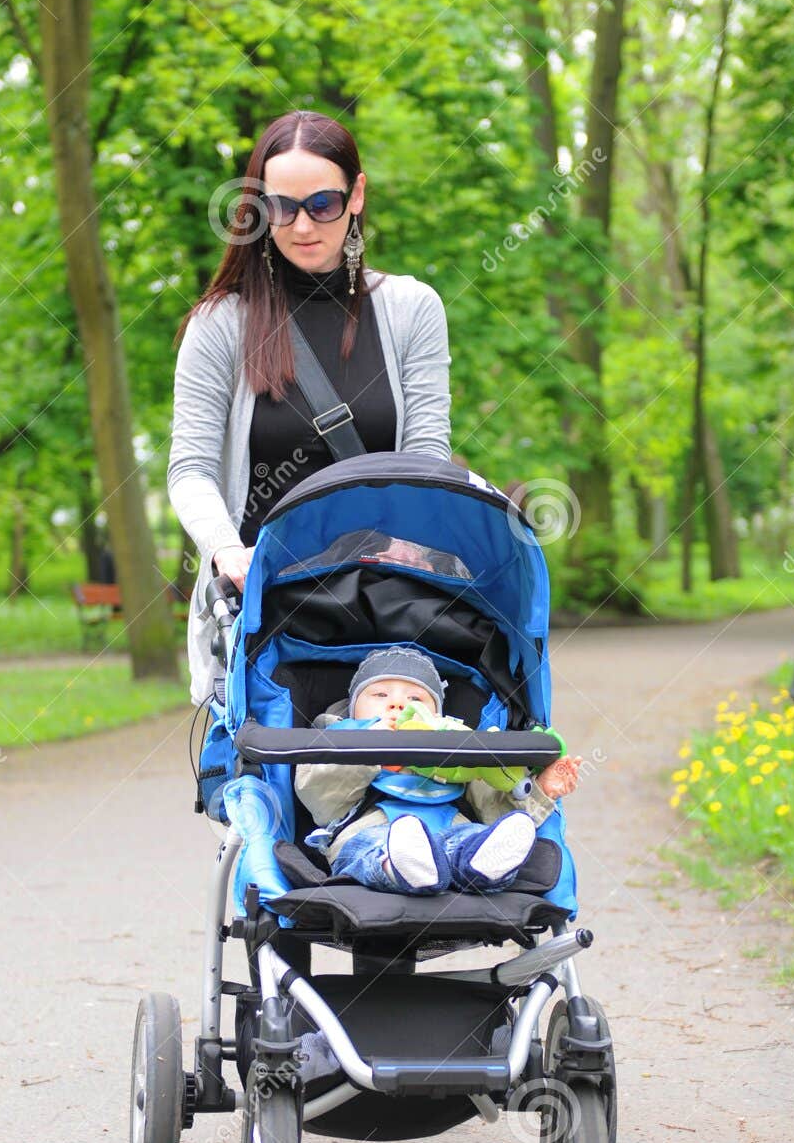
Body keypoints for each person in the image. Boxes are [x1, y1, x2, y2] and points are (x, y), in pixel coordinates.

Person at [167, 110, 453, 705]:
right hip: (263, 609)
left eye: (322, 204)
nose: (301, 225)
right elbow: (190, 469)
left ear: (357, 195)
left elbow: (427, 454)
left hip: (386, 606)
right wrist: (226, 550)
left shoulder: (412, 309)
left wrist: (411, 543)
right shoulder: (220, 324)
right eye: (281, 207)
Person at [294, 647, 581, 895]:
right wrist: (370, 749)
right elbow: (320, 796)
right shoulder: (339, 742)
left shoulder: (455, 750)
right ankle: (400, 866)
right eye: (380, 694)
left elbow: (493, 808)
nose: (397, 704)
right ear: (353, 709)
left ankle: (484, 867)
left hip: (451, 831)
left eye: (415, 699)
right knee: (371, 851)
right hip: (370, 833)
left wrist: (542, 790)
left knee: (474, 839)